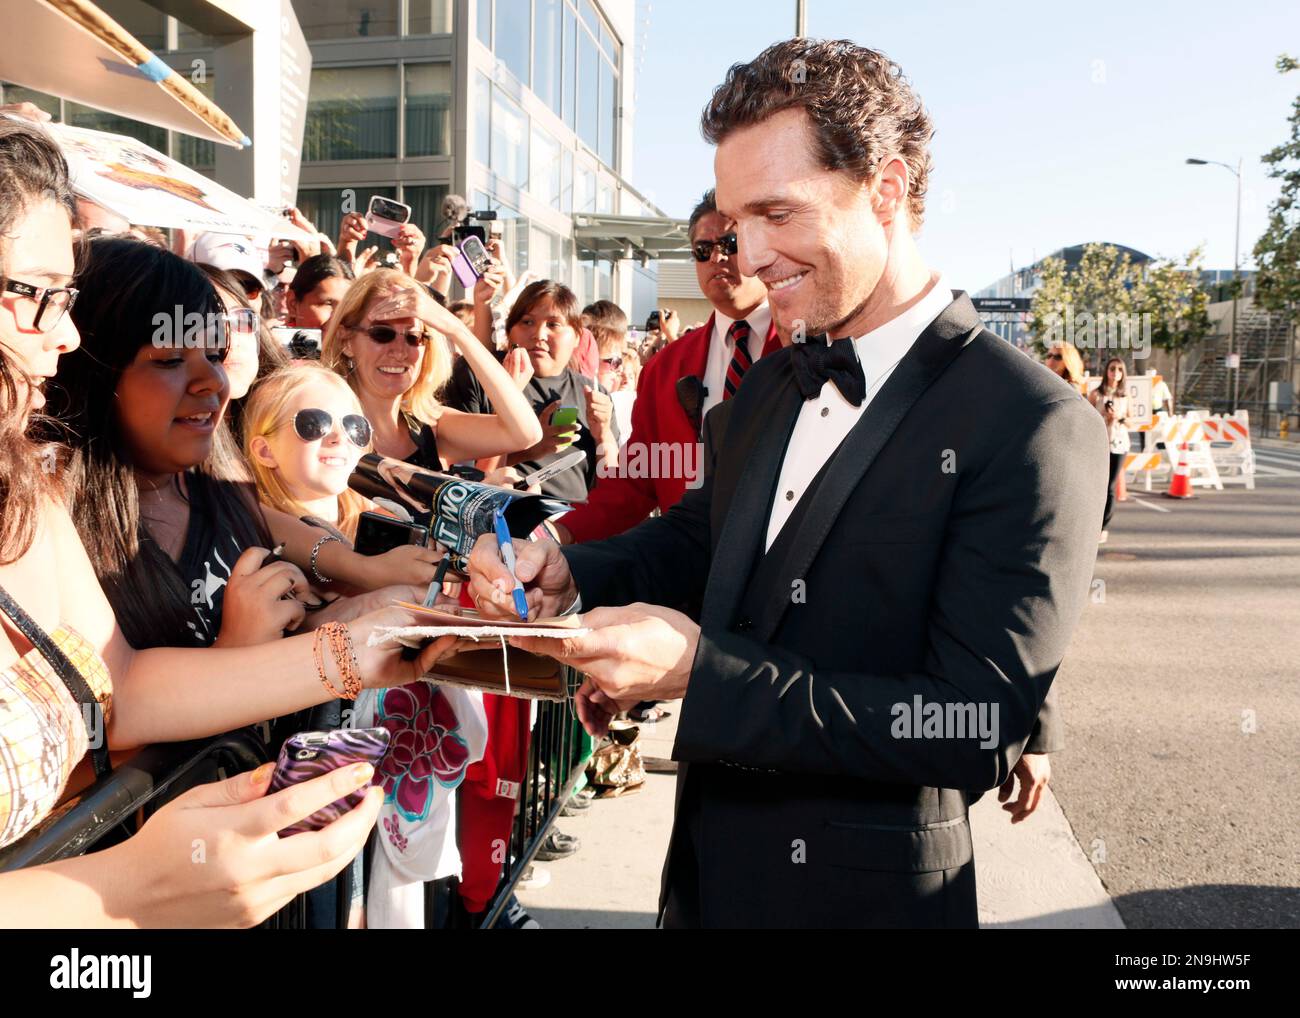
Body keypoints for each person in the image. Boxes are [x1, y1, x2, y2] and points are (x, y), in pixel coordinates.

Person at [467, 38, 1108, 928]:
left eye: (777, 214)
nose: (747, 256)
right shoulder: (773, 377)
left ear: (885, 189)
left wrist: (703, 674)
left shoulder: (1035, 425)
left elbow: (973, 725)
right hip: (702, 882)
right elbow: (704, 535)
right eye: (734, 223)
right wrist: (579, 570)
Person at [0, 116, 445, 926]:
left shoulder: (25, 499)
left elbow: (122, 689)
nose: (58, 336)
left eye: (214, 353)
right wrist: (123, 892)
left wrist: (376, 637)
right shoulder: (61, 488)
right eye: (34, 296)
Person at [556, 189, 781, 544]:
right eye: (703, 250)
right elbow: (636, 480)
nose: (717, 257)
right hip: (689, 583)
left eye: (731, 243)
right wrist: (560, 533)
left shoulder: (809, 348)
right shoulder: (664, 369)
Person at [321, 269, 540, 473]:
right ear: (346, 342)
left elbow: (525, 434)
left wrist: (456, 329)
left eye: (413, 337)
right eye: (381, 334)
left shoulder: (432, 427)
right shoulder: (321, 427)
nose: (399, 352)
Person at [441, 280, 619, 503]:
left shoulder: (593, 392)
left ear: (577, 337)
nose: (539, 334)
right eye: (527, 322)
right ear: (509, 331)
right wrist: (528, 446)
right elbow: (464, 476)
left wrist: (604, 435)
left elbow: (613, 488)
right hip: (502, 515)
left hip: (575, 524)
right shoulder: (479, 376)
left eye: (553, 324)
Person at [245, 361, 376, 540]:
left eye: (353, 425)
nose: (339, 437)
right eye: (315, 423)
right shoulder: (255, 538)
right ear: (265, 451)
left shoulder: (381, 524)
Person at [1090, 356, 1131, 541]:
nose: (1115, 373)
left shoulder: (1125, 397)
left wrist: (1118, 418)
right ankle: (1090, 521)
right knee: (1095, 484)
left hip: (1119, 443)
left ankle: (1102, 526)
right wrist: (1102, 416)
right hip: (1099, 443)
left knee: (1110, 486)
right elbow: (1087, 417)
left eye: (1119, 370)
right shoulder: (1096, 394)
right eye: (1112, 369)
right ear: (1106, 371)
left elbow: (1131, 421)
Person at [285, 253, 354, 331]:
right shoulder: (274, 341)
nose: (338, 318)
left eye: (346, 306)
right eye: (328, 303)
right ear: (292, 304)